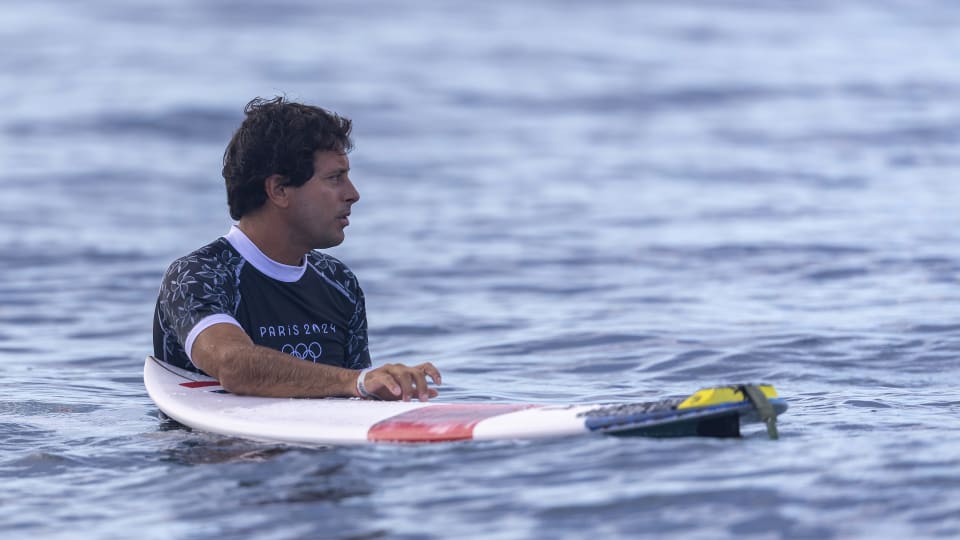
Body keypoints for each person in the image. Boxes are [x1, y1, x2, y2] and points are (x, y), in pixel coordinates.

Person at [152, 96, 440, 401]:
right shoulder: (197, 276)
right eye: (335, 178)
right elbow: (233, 365)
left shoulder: (339, 283)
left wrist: (390, 389)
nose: (353, 194)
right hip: (208, 446)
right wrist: (356, 381)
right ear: (278, 190)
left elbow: (357, 398)